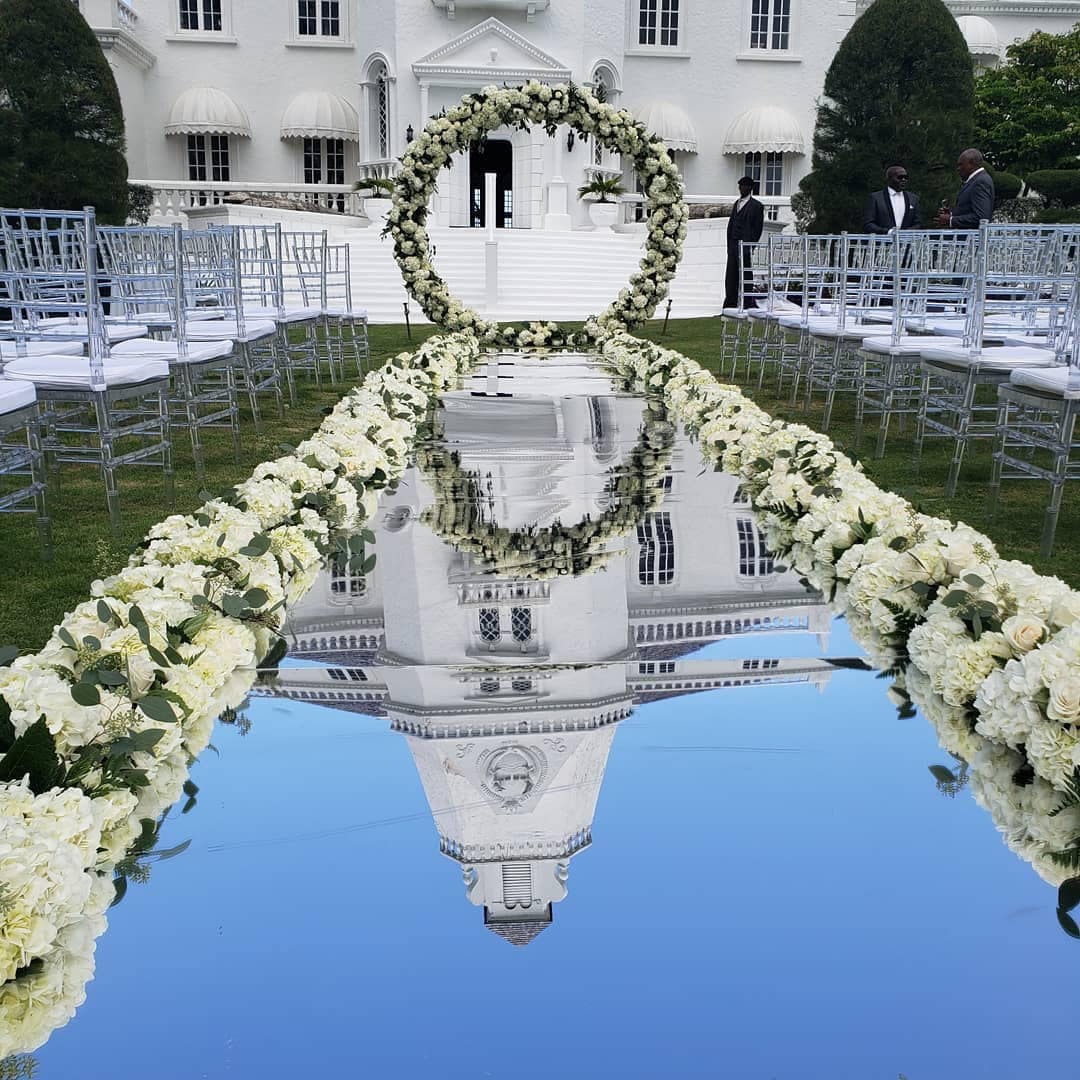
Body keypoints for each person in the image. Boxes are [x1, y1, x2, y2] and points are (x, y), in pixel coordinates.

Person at [723, 175, 765, 309]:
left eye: (744, 186)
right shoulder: (737, 203)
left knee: (745, 274)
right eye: (740, 186)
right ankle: (730, 301)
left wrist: (750, 246)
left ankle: (746, 302)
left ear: (750, 188)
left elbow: (758, 228)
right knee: (731, 274)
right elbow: (731, 224)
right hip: (733, 244)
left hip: (745, 245)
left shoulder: (757, 206)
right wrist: (729, 244)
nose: (741, 188)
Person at [935, 148, 995, 229]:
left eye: (961, 164)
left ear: (971, 164)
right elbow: (970, 211)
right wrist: (952, 215)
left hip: (973, 236)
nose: (958, 168)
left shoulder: (980, 182)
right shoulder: (976, 180)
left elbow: (982, 218)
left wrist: (951, 220)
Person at [863, 165, 921, 233]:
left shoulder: (913, 198)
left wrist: (905, 233)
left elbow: (918, 223)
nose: (903, 180)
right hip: (883, 239)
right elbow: (868, 224)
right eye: (899, 177)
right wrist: (888, 232)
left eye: (906, 177)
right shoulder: (876, 198)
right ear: (889, 179)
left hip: (906, 239)